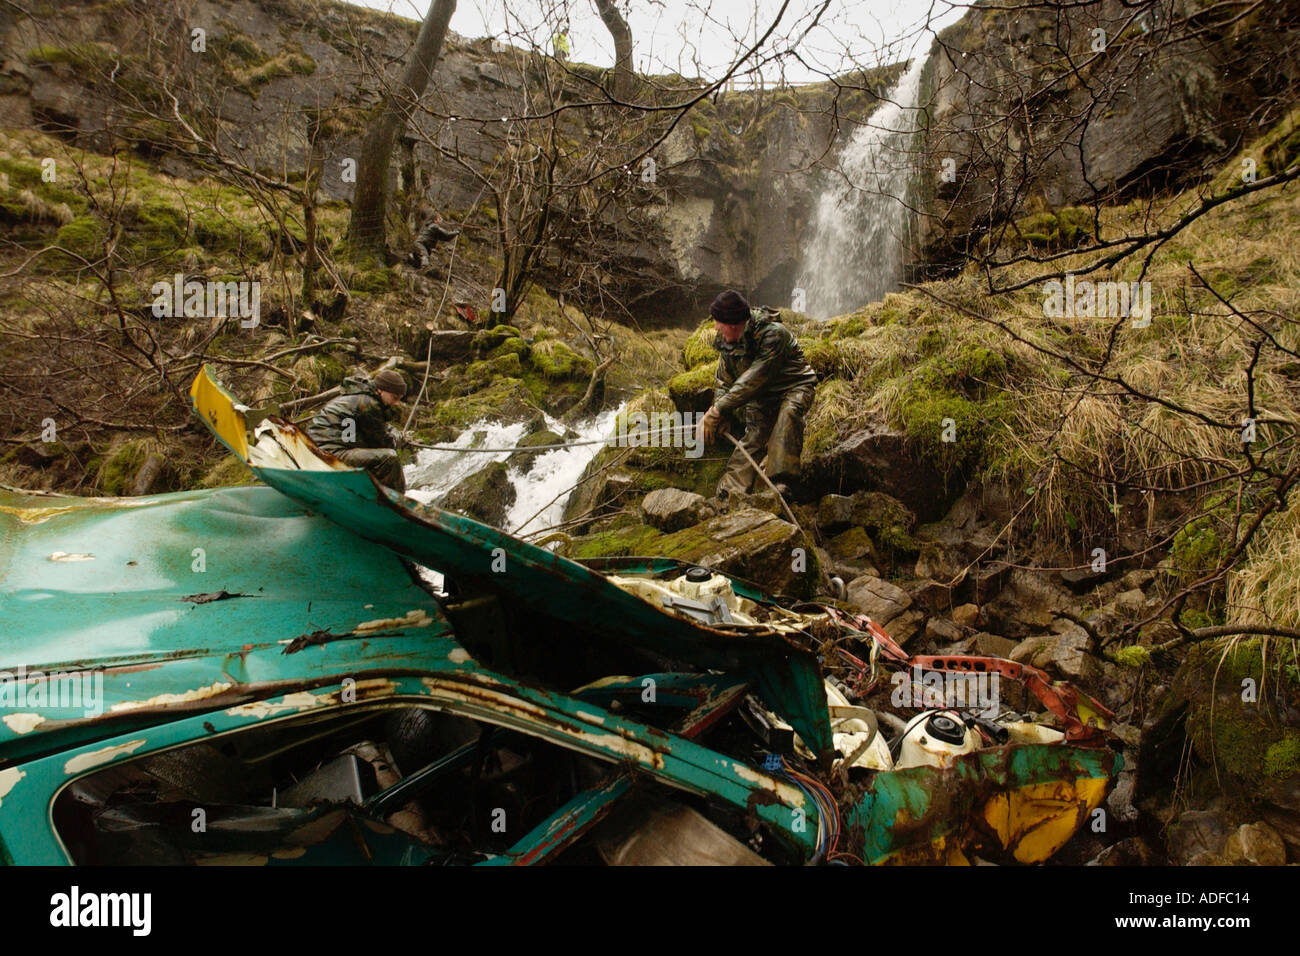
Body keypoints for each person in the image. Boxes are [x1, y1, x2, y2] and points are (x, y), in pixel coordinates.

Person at [697, 290, 818, 499]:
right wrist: (722, 413)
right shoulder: (728, 341)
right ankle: (727, 494)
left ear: (733, 323)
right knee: (753, 437)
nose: (715, 327)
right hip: (760, 396)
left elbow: (754, 378)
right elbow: (724, 380)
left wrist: (716, 411)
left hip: (794, 387)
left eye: (718, 322)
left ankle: (778, 485)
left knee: (787, 418)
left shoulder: (773, 334)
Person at [305, 368, 410, 492]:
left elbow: (382, 427)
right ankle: (397, 503)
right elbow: (383, 442)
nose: (397, 403)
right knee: (389, 458)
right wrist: (400, 439)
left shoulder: (361, 398)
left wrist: (396, 434)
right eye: (394, 397)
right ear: (381, 390)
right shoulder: (369, 404)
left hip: (318, 449)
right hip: (329, 453)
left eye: (400, 398)